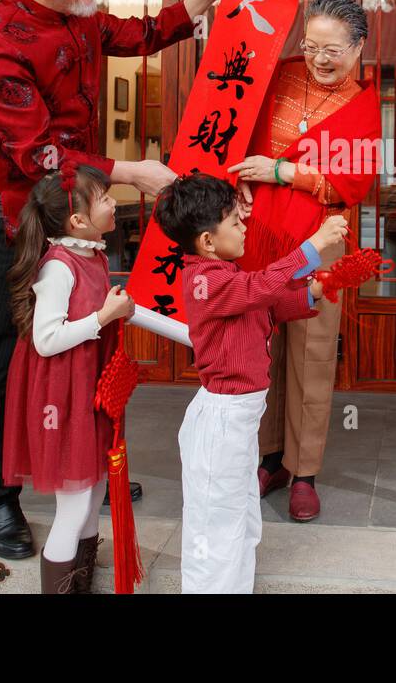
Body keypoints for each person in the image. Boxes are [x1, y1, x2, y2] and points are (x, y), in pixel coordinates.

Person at [0, 0, 243, 559]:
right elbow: (39, 159)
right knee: (4, 362)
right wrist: (129, 172)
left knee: (86, 351)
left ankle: (86, 472)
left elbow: (139, 32)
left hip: (77, 218)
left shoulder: (79, 16)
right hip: (14, 221)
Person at [226, 0, 381, 522]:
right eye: (311, 45)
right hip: (259, 233)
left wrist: (284, 172)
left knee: (312, 354)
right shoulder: (280, 76)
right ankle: (270, 458)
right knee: (261, 344)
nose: (319, 58)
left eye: (333, 49)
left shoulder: (363, 103)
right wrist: (241, 185)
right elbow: (237, 137)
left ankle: (305, 471)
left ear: (358, 47)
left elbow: (353, 182)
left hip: (322, 237)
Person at [153, 174, 345, 593]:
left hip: (240, 424)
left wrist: (312, 293)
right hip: (220, 425)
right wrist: (312, 247)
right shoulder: (207, 280)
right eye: (235, 222)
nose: (244, 228)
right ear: (206, 241)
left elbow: (268, 308)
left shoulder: (227, 274)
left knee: (241, 523)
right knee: (215, 533)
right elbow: (259, 288)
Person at [0, 165, 134, 593]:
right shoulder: (59, 266)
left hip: (88, 392)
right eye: (105, 198)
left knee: (94, 496)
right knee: (74, 507)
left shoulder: (90, 254)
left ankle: (80, 585)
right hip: (63, 394)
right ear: (77, 220)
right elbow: (45, 339)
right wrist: (103, 317)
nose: (114, 203)